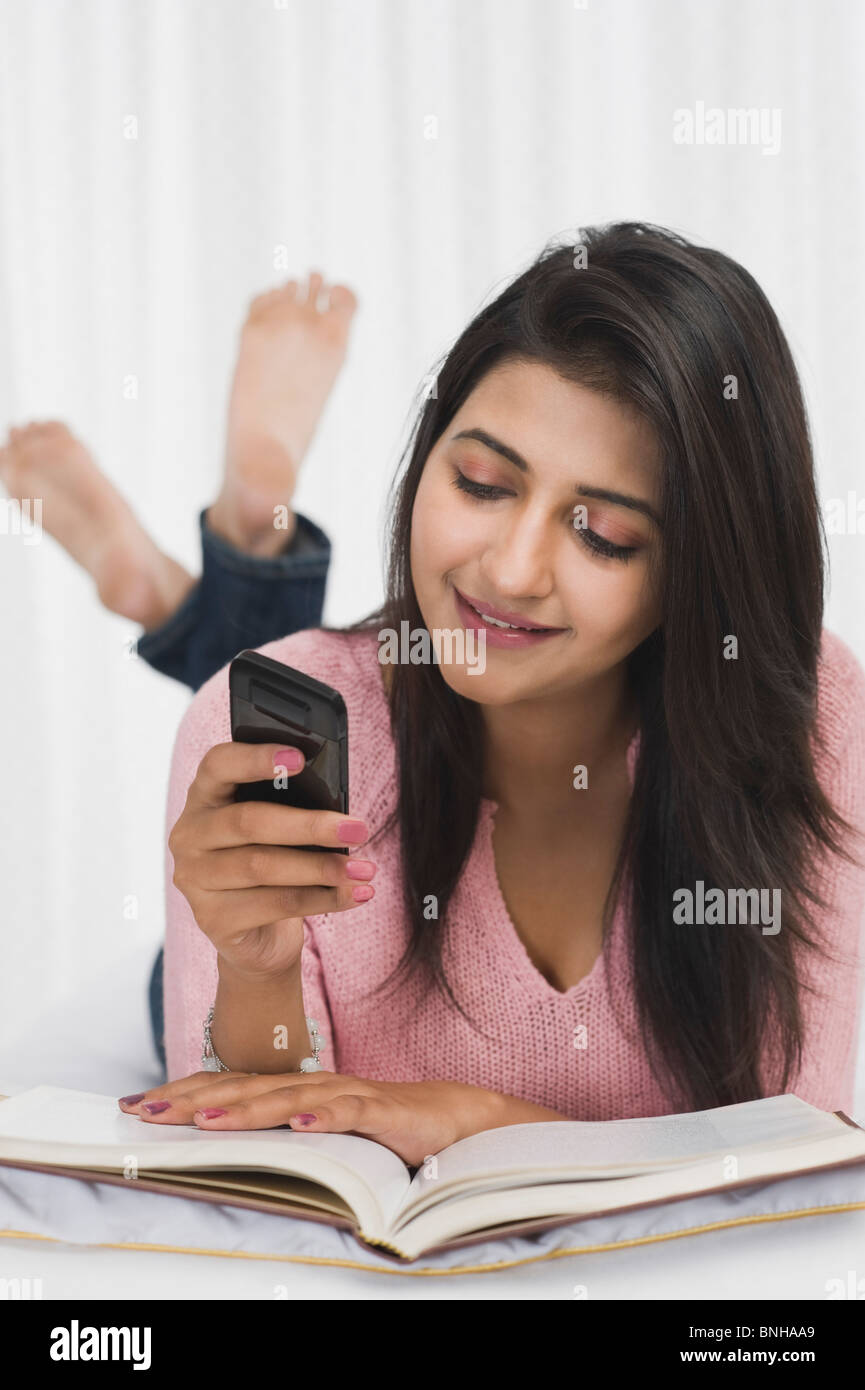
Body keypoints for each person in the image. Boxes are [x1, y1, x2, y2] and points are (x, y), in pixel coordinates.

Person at [72, 223, 865, 1165]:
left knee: (269, 678)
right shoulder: (286, 724)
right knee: (261, 705)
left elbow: (793, 1155)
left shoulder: (809, 714)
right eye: (481, 482)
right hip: (317, 813)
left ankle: (238, 552)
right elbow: (257, 1139)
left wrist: (479, 1121)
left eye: (604, 535)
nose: (512, 569)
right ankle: (247, 541)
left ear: (697, 573)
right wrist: (257, 970)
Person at [0, 272, 355, 1069]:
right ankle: (200, 586)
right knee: (293, 827)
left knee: (312, 784)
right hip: (238, 962)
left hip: (224, 954)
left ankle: (206, 583)